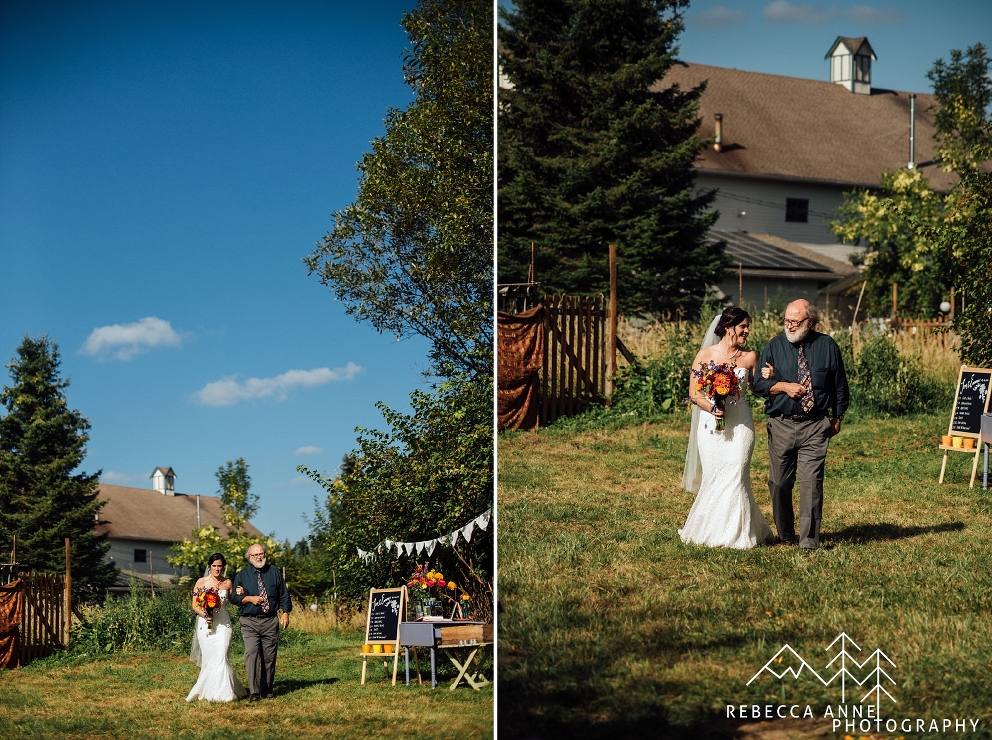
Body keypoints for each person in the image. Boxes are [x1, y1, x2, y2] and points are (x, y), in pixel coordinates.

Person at [753, 299, 849, 550]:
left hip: (815, 424)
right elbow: (758, 385)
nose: (790, 325)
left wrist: (837, 417)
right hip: (782, 424)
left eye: (795, 321)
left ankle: (808, 541)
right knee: (779, 483)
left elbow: (839, 385)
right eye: (786, 321)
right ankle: (785, 534)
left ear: (811, 322)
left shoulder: (827, 345)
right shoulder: (774, 346)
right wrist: (783, 386)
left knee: (811, 484)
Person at [679, 306, 776, 549]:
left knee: (737, 474)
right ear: (728, 327)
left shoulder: (750, 357)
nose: (747, 330)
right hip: (711, 426)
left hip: (741, 423)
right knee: (715, 476)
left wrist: (771, 377)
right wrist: (712, 408)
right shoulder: (704, 355)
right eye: (743, 326)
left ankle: (738, 535)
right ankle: (711, 530)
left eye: (747, 326)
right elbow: (694, 393)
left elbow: (757, 388)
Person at [229, 544, 291, 701]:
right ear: (249, 557)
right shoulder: (242, 575)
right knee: (252, 654)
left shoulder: (274, 572)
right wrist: (249, 598)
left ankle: (267, 690)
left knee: (269, 656)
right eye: (255, 555)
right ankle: (254, 692)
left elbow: (284, 593)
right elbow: (234, 599)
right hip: (249, 621)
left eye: (261, 554)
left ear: (265, 554)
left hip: (270, 620)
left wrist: (285, 613)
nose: (259, 557)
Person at [186, 553, 248, 702]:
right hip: (206, 624)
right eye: (214, 566)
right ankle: (208, 691)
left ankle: (225, 694)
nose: (217, 569)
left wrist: (241, 594)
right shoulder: (201, 582)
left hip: (223, 624)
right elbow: (194, 605)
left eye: (220, 566)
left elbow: (233, 601)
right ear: (209, 567)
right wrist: (205, 615)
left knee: (221, 655)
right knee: (209, 658)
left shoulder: (227, 583)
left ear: (223, 567)